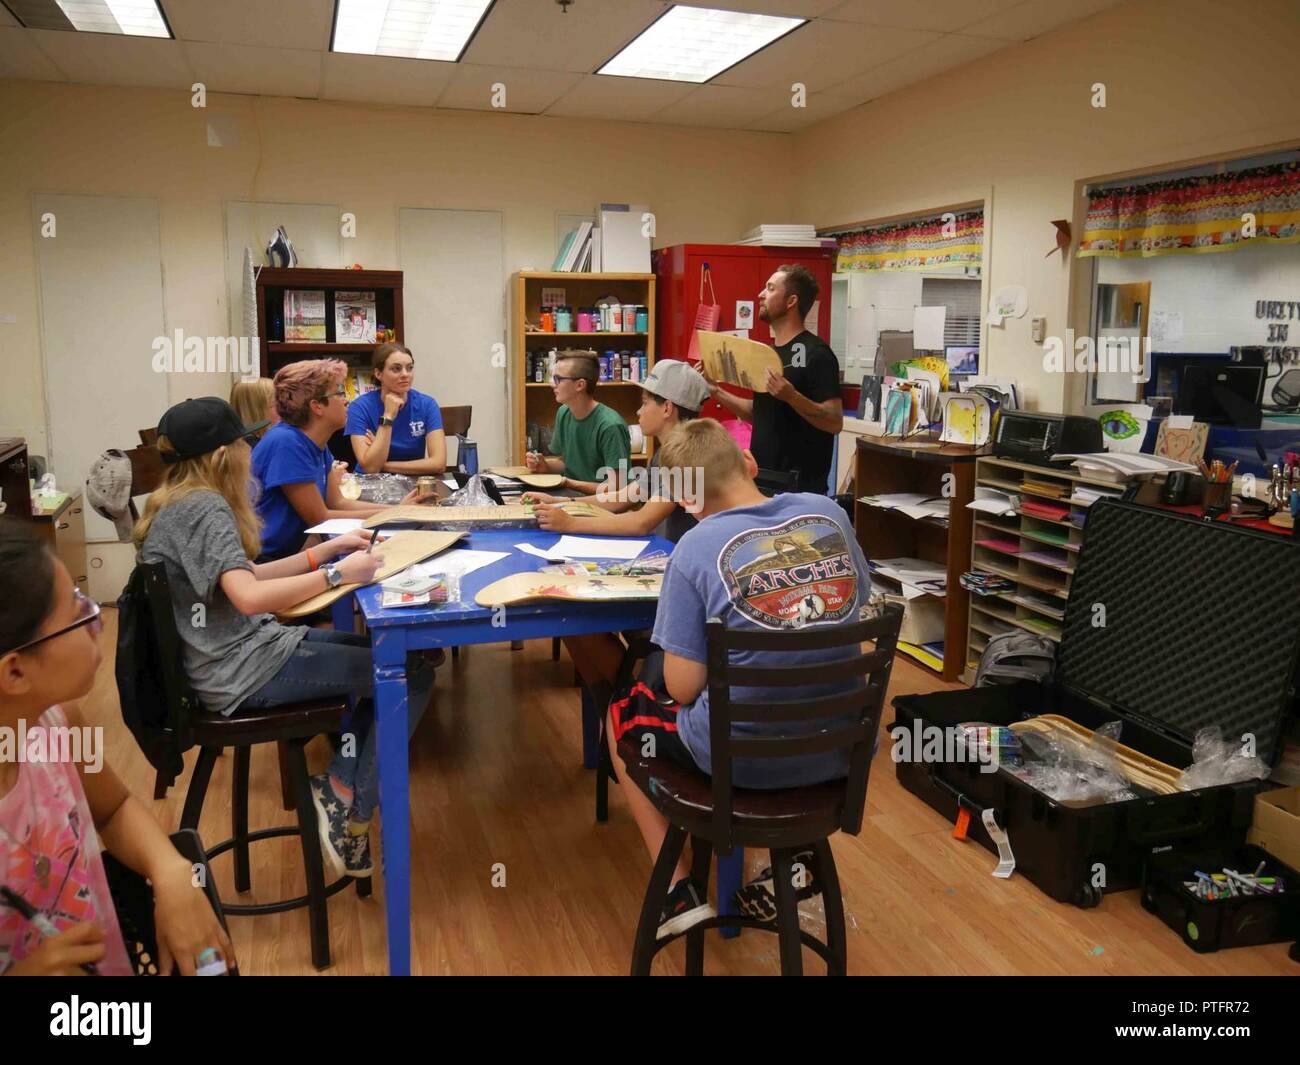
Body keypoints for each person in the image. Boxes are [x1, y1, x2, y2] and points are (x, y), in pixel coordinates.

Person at [134, 397, 434, 878]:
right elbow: (251, 597)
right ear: (222, 454)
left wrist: (327, 553)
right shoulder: (205, 508)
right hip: (243, 670)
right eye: (243, 442)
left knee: (389, 663)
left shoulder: (174, 503)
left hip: (235, 658)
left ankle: (340, 792)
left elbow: (245, 573)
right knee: (410, 675)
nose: (251, 450)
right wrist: (341, 577)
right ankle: (347, 805)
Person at [603, 419, 873, 938]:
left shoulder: (694, 548)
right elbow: (852, 607)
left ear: (687, 503)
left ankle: (678, 892)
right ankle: (791, 862)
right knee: (788, 684)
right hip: (842, 750)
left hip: (741, 765)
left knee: (623, 714)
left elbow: (682, 689)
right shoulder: (830, 514)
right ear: (749, 464)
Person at [0, 519, 234, 975]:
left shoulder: (57, 725)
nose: (98, 619)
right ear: (14, 673)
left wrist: (168, 869)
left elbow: (113, 808)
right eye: (76, 614)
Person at [252, 359, 427, 562]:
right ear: (317, 406)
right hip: (265, 563)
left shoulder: (316, 442)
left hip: (286, 555)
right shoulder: (288, 443)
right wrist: (394, 515)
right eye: (339, 393)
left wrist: (398, 511)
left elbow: (338, 502)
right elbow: (320, 518)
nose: (346, 400)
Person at [530, 359, 710, 543]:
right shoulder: (665, 454)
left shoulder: (688, 459)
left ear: (667, 408)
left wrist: (570, 523)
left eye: (645, 403)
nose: (639, 411)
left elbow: (641, 522)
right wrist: (560, 503)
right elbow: (623, 496)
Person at [706, 264, 843, 494]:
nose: (761, 295)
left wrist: (792, 397)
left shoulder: (817, 353)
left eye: (770, 288)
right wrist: (715, 391)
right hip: (762, 480)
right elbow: (760, 411)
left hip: (798, 488)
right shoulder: (768, 354)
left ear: (791, 301)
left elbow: (834, 421)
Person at [524, 352, 630, 492]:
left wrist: (569, 483)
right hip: (571, 497)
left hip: (601, 506)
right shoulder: (564, 412)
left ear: (580, 385)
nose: (551, 384)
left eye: (558, 379)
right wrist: (546, 466)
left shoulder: (610, 426)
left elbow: (618, 488)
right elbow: (566, 463)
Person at [347, 342, 447, 476]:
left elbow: (438, 464)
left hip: (411, 480)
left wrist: (382, 464)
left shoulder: (427, 404)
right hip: (370, 482)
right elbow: (370, 469)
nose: (405, 374)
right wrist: (387, 416)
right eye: (396, 369)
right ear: (378, 373)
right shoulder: (359, 407)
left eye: (410, 368)